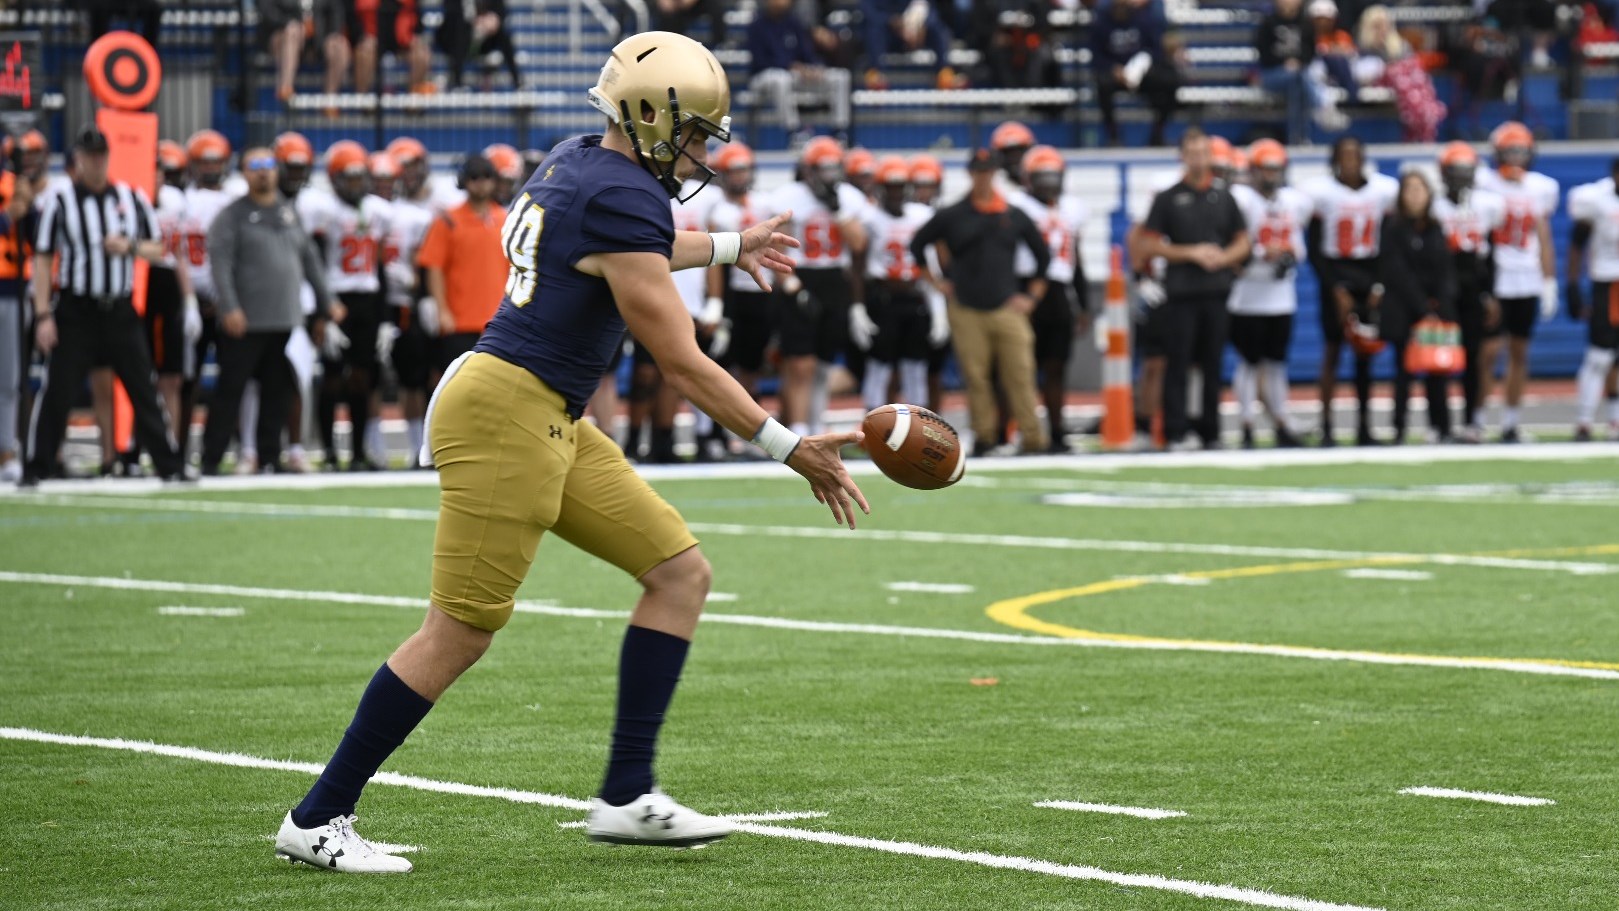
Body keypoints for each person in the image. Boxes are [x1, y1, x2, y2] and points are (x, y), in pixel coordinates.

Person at [272, 30, 866, 872]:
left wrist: (733, 246)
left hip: (546, 409)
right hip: (510, 412)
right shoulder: (626, 196)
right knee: (459, 630)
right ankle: (319, 814)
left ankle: (626, 793)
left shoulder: (580, 158)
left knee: (677, 572)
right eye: (694, 132)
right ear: (652, 118)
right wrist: (789, 444)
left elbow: (636, 250)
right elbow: (682, 361)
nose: (698, 151)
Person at [22, 127, 186, 486]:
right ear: (78, 159)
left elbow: (158, 250)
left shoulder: (131, 197)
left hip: (120, 311)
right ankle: (37, 468)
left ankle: (169, 465)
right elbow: (43, 259)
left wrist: (127, 247)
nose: (96, 162)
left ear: (108, 157)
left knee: (144, 389)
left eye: (101, 155)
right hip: (76, 310)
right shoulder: (61, 201)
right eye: (89, 155)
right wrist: (43, 315)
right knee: (58, 390)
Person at [201, 149, 337, 475]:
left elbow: (310, 261)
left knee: (278, 394)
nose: (263, 173)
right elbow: (220, 264)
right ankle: (211, 458)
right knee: (230, 391)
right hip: (245, 321)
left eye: (268, 166)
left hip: (285, 318)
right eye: (255, 166)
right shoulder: (232, 215)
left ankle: (269, 457)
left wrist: (326, 300)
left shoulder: (289, 213)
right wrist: (230, 306)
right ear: (243, 173)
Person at [911, 147, 1051, 455]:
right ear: (971, 174)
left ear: (995, 174)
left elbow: (1043, 255)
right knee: (976, 377)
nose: (984, 178)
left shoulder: (1012, 215)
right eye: (979, 172)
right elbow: (918, 243)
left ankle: (1033, 438)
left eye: (989, 172)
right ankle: (985, 436)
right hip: (966, 307)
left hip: (1007, 305)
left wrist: (1032, 297)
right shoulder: (953, 214)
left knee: (1020, 373)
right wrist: (936, 282)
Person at [1138, 128, 1251, 450]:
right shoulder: (1168, 197)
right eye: (1193, 153)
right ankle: (1175, 430)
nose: (1199, 159)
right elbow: (1149, 243)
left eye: (1204, 152)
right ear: (1183, 157)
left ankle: (1210, 430)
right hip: (1181, 292)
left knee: (1213, 363)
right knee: (1178, 363)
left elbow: (1243, 241)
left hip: (1216, 290)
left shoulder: (1224, 196)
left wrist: (1222, 257)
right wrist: (1190, 252)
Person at [765, 136, 868, 436]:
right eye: (822, 170)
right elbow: (777, 248)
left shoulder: (848, 197)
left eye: (833, 169)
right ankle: (797, 430)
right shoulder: (789, 196)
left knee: (823, 364)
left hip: (835, 279)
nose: (828, 177)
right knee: (800, 364)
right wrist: (792, 285)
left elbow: (859, 243)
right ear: (808, 170)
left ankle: (816, 425)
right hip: (801, 276)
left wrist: (836, 209)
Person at [301, 140, 392, 470]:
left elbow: (379, 266)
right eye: (349, 178)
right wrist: (322, 313)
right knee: (332, 377)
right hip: (335, 300)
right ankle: (327, 451)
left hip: (366, 300)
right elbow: (313, 266)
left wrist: (384, 318)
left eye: (359, 178)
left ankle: (356, 452)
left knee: (363, 379)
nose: (356, 185)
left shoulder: (378, 210)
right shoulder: (323, 211)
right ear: (335, 179)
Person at [1303, 135, 1398, 446]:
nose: (1350, 161)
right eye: (1344, 155)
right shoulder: (1322, 193)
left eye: (1355, 155)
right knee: (1332, 350)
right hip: (1336, 271)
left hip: (1369, 273)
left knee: (1365, 354)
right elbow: (1315, 248)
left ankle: (1364, 426)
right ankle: (1327, 426)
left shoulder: (1382, 191)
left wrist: (1380, 284)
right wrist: (1334, 287)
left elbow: (1387, 243)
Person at [1475, 121, 1559, 443]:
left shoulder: (1540, 187)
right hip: (1496, 278)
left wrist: (1549, 280)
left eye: (1521, 151)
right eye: (1510, 150)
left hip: (1527, 279)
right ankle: (1478, 420)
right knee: (1488, 352)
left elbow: (1543, 236)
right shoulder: (1485, 184)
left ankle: (1510, 423)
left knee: (1520, 352)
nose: (1516, 157)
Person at [1228, 139, 1309, 449]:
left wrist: (1286, 254)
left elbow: (1298, 247)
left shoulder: (1292, 201)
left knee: (1276, 363)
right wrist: (1263, 251)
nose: (1271, 177)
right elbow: (1234, 241)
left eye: (1276, 170)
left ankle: (1280, 421)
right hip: (1247, 292)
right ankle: (1246, 424)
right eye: (1265, 170)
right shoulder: (1242, 199)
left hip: (1280, 293)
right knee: (1248, 362)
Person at [1008, 145, 1089, 452]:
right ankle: (1015, 430)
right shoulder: (1016, 205)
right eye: (1042, 178)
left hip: (1059, 293)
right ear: (1028, 179)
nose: (1049, 184)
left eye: (1053, 177)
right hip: (1025, 288)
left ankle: (1057, 431)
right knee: (1019, 369)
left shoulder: (1072, 208)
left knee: (1056, 368)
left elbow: (1076, 258)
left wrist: (1083, 303)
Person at [850, 154, 938, 413]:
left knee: (916, 367)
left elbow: (931, 263)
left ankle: (918, 430)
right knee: (879, 365)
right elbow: (856, 265)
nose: (896, 194)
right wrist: (858, 307)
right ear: (880, 188)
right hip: (883, 297)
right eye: (890, 187)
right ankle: (870, 431)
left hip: (915, 296)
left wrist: (938, 306)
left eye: (900, 187)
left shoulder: (922, 215)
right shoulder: (868, 217)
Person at [1431, 141, 1505, 442]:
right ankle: (1440, 425)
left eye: (1467, 171)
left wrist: (1490, 294)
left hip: (1474, 286)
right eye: (1456, 171)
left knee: (1473, 357)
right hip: (1442, 287)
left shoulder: (1487, 204)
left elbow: (1491, 254)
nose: (1462, 177)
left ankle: (1472, 421)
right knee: (1439, 356)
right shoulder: (1434, 206)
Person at [1377, 171, 1456, 444]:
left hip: (1434, 311)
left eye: (1419, 189)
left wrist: (1438, 305)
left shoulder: (1435, 228)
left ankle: (1441, 426)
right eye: (1409, 189)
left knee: (1438, 370)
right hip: (1403, 310)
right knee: (1403, 370)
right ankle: (1399, 428)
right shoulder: (1392, 227)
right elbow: (1395, 271)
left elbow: (1444, 268)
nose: (1414, 195)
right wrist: (1422, 306)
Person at [415, 153, 506, 380]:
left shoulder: (505, 219)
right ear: (464, 181)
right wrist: (442, 310)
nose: (481, 182)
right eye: (474, 177)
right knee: (456, 384)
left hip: (497, 321)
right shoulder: (447, 221)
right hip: (459, 321)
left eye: (486, 176)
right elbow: (433, 267)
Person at [706, 143, 775, 421]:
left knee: (753, 365)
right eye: (734, 171)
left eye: (743, 170)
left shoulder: (765, 204)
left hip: (760, 290)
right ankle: (714, 433)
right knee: (721, 363)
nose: (739, 177)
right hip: (729, 291)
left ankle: (754, 428)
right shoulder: (714, 207)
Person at [746, 0, 853, 148]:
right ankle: (793, 132)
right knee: (781, 79)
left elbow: (806, 52)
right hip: (764, 76)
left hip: (794, 74)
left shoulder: (793, 22)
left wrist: (814, 67)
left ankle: (840, 132)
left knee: (840, 76)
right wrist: (790, 66)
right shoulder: (757, 25)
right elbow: (760, 61)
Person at [1565, 158, 1619, 441]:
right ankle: (1584, 420)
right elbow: (1576, 244)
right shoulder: (1597, 199)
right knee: (1599, 357)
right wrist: (1572, 286)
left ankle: (1615, 420)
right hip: (1607, 284)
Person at [0, 135, 40, 482]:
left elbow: (38, 238)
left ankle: (7, 449)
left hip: (11, 290)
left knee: (9, 379)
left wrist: (30, 207)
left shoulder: (14, 184)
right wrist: (8, 215)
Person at [1090, 0, 1183, 147]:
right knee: (1102, 86)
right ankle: (1113, 136)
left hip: (1143, 74)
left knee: (1170, 82)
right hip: (1115, 75)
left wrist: (1141, 68)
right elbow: (1096, 56)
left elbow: (1155, 51)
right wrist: (1114, 69)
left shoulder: (1143, 19)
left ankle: (1157, 134)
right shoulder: (1101, 23)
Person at [1256, 0, 1342, 145]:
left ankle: (1297, 139)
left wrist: (1298, 62)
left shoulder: (1305, 24)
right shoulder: (1268, 22)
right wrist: (1284, 63)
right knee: (1299, 78)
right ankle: (1321, 109)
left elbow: (1310, 52)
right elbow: (1263, 53)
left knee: (1297, 84)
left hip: (1298, 74)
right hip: (1272, 75)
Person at [861, 0, 962, 90]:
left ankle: (944, 74)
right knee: (873, 30)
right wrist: (891, 21)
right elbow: (869, 12)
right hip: (889, 35)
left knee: (939, 30)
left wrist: (921, 25)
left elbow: (931, 10)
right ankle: (875, 74)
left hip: (917, 35)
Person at [435, 0, 523, 91]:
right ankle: (457, 84)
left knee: (503, 36)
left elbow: (501, 11)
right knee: (460, 32)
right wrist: (474, 21)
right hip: (456, 39)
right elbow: (450, 12)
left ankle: (519, 83)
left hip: (484, 39)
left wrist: (494, 19)